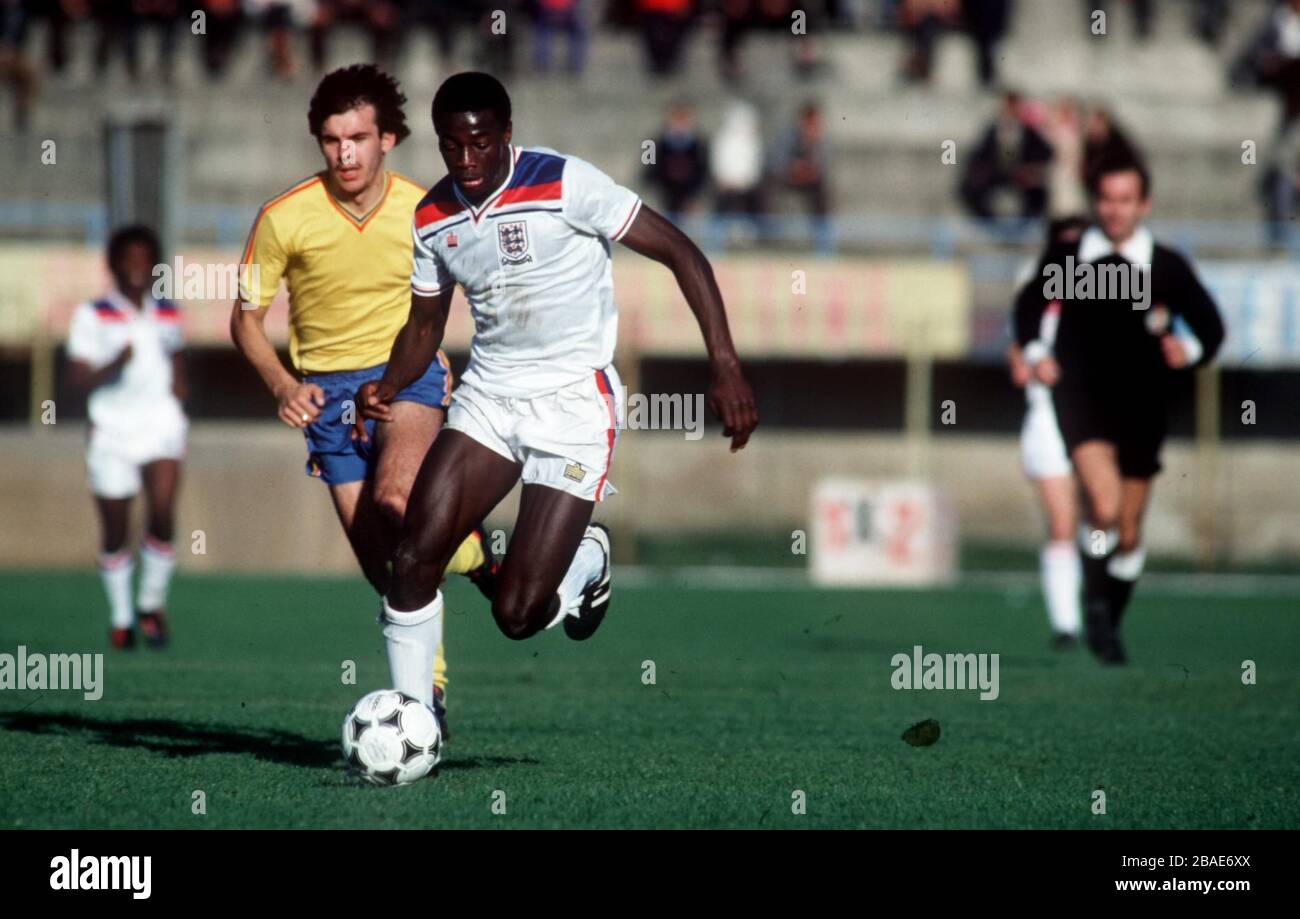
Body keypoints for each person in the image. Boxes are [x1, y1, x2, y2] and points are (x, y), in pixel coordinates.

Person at [354, 72, 758, 712]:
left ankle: (587, 560)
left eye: (481, 143)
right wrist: (387, 384)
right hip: (490, 399)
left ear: (507, 135)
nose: (467, 160)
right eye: (452, 146)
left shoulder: (566, 183)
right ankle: (415, 717)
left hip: (573, 405)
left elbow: (682, 252)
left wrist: (726, 366)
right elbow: (425, 326)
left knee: (516, 615)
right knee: (411, 560)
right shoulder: (432, 218)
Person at [230, 65, 494, 732]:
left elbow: (483, 286)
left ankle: (423, 700)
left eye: (357, 138)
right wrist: (284, 386)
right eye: (331, 140)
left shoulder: (426, 208)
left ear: (388, 139)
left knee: (397, 501)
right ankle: (477, 556)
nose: (344, 153)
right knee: (386, 569)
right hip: (327, 396)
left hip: (407, 375)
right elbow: (245, 321)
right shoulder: (284, 217)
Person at [1013, 154, 1224, 663]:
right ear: (1096, 202)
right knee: (1102, 509)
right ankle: (1093, 606)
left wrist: (1190, 349)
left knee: (1128, 533)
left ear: (1143, 205)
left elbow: (1211, 327)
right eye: (1106, 199)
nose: (1114, 209)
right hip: (1081, 402)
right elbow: (1028, 307)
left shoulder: (1164, 266)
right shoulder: (1070, 258)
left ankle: (1108, 613)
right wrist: (1037, 353)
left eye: (1125, 200)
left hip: (1142, 409)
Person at [66, 225, 187, 651]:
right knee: (116, 529)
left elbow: (175, 358)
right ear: (114, 265)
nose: (137, 267)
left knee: (163, 511)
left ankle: (151, 603)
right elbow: (76, 379)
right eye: (129, 259)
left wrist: (180, 387)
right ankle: (121, 618)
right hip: (111, 431)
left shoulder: (168, 312)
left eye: (145, 259)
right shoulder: (93, 314)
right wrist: (115, 363)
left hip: (160, 424)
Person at [1006, 217, 1088, 649]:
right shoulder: (1035, 292)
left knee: (1102, 517)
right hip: (1048, 419)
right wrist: (1031, 360)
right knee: (1062, 520)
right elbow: (1018, 356)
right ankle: (1066, 623)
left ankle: (1098, 601)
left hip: (1096, 419)